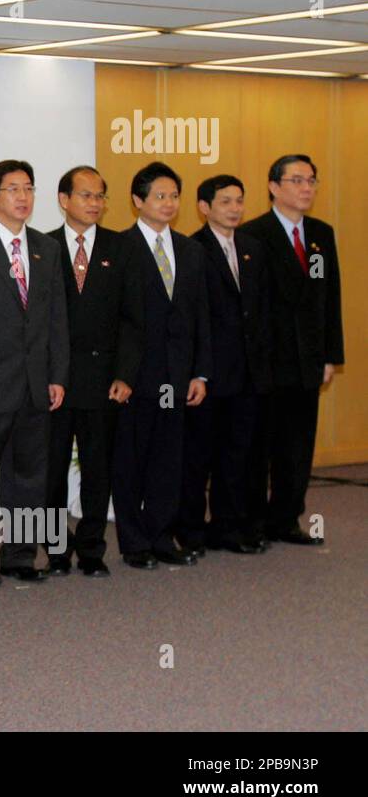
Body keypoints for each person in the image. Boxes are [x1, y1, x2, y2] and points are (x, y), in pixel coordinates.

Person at [0, 160, 68, 585]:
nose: (23, 197)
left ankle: (21, 556)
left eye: (29, 188)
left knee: (28, 478)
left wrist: (57, 374)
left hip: (36, 385)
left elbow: (56, 318)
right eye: (13, 189)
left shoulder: (46, 248)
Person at [240, 155, 343, 546]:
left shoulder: (320, 234)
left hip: (308, 359)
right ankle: (253, 522)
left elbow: (327, 296)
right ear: (274, 186)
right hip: (267, 360)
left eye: (311, 181)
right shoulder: (254, 234)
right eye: (297, 180)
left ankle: (286, 518)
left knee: (298, 445)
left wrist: (330, 355)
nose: (306, 188)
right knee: (260, 444)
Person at [112, 161, 211, 569]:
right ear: (138, 201)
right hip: (135, 378)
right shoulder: (119, 248)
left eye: (174, 196)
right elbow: (113, 320)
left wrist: (200, 372)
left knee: (169, 460)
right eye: (159, 196)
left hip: (176, 377)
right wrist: (119, 374)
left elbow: (201, 316)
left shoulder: (191, 249)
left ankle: (161, 536)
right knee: (131, 460)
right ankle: (134, 542)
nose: (168, 203)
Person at [45, 166, 142, 579]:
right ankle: (54, 548)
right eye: (86, 196)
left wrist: (126, 374)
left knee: (97, 470)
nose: (95, 203)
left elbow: (133, 319)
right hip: (54, 382)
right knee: (48, 471)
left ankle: (91, 549)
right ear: (64, 199)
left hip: (104, 380)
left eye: (100, 196)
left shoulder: (121, 248)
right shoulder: (42, 247)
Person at [180, 174, 272, 555]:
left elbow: (261, 311)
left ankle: (228, 527)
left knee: (237, 455)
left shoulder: (252, 247)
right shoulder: (191, 249)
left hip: (248, 373)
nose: (235, 209)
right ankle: (190, 530)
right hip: (209, 372)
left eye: (239, 201)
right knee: (199, 456)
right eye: (225, 202)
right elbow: (190, 317)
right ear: (204, 208)